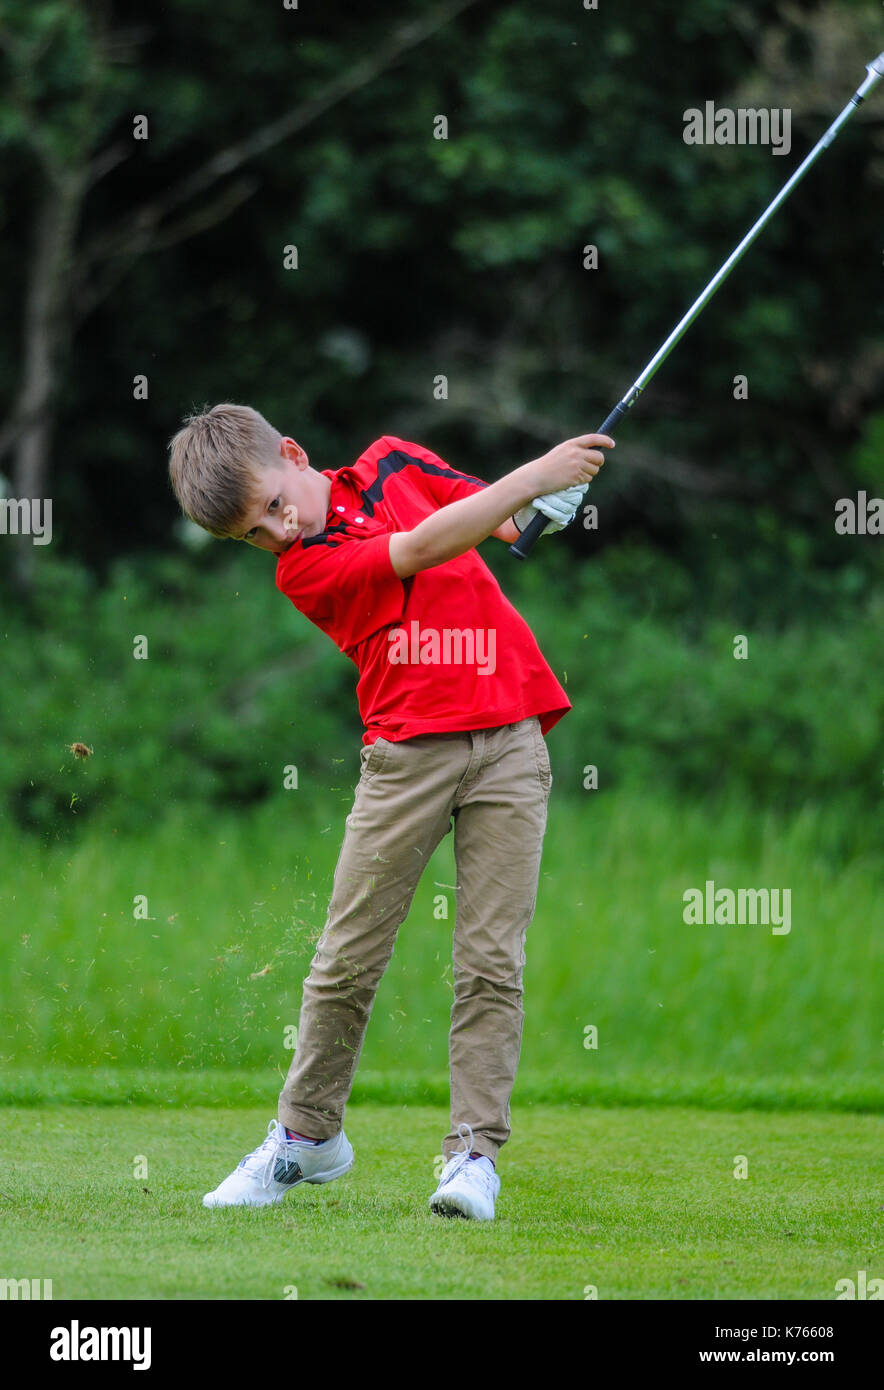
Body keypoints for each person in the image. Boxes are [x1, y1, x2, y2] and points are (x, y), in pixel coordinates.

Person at [167, 404, 612, 1219]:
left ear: (295, 454)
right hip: (408, 756)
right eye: (251, 537)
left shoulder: (392, 461)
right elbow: (423, 545)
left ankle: (473, 1157)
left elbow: (502, 523)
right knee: (347, 960)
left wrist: (547, 502)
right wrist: (537, 476)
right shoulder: (305, 568)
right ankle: (307, 1139)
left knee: (490, 964)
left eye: (273, 507)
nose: (276, 532)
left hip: (513, 738)